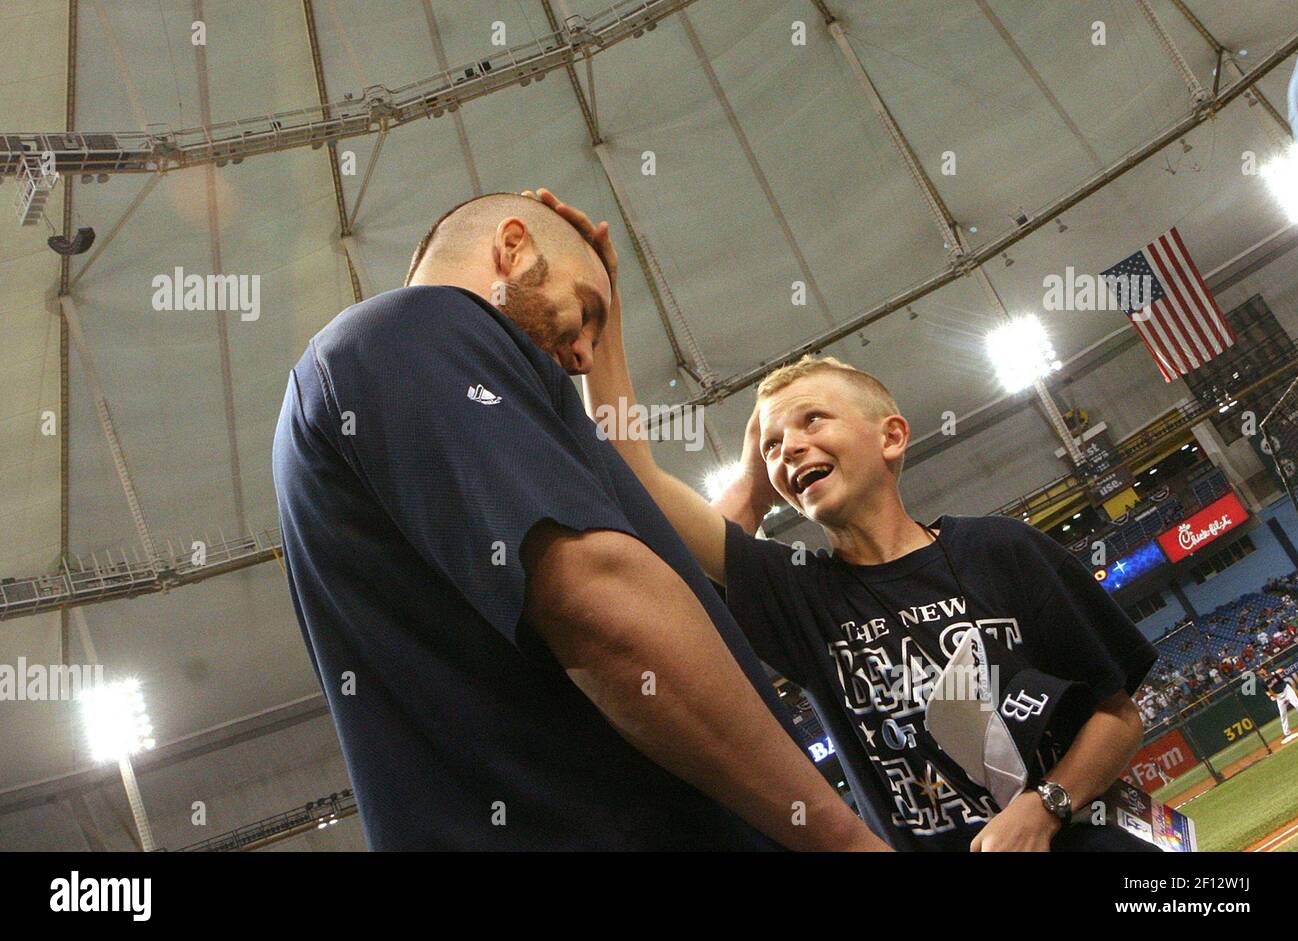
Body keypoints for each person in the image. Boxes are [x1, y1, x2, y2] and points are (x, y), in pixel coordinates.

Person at [272, 191, 886, 852]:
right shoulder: (410, 327)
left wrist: (605, 299)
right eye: (586, 312)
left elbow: (633, 497)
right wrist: (839, 836)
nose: (586, 357)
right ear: (512, 247)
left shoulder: (408, 377)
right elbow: (599, 604)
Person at [558, 185, 1158, 850]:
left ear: (891, 437)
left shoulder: (1002, 549)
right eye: (775, 445)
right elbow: (634, 476)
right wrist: (604, 313)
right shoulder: (798, 593)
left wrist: (1042, 809)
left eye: (814, 420)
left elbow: (1118, 712)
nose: (791, 447)